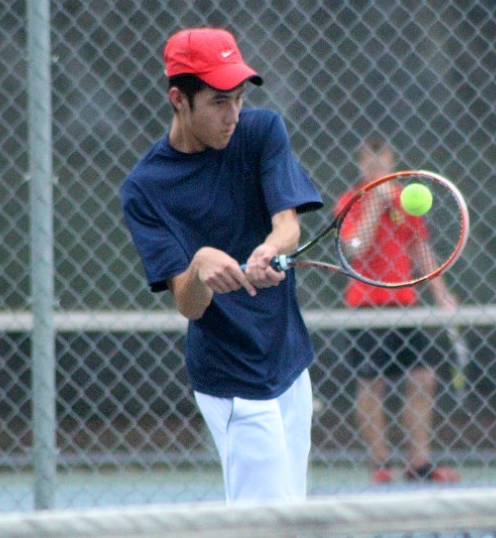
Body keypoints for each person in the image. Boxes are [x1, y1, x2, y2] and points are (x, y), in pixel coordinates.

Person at [121, 27, 323, 503]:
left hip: (290, 360)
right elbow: (189, 305)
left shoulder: (262, 132)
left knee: (291, 519)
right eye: (217, 102)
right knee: (266, 525)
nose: (232, 115)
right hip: (232, 379)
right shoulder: (145, 188)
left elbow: (287, 226)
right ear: (178, 99)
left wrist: (269, 249)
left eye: (238, 99)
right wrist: (198, 266)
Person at [337, 136, 461, 484]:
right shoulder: (350, 201)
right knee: (371, 382)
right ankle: (380, 464)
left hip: (405, 304)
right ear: (360, 164)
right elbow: (355, 248)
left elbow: (420, 248)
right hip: (365, 305)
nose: (377, 167)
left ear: (392, 163)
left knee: (423, 377)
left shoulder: (406, 200)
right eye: (370, 161)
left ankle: (418, 463)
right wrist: (375, 205)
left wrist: (441, 294)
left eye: (383, 161)